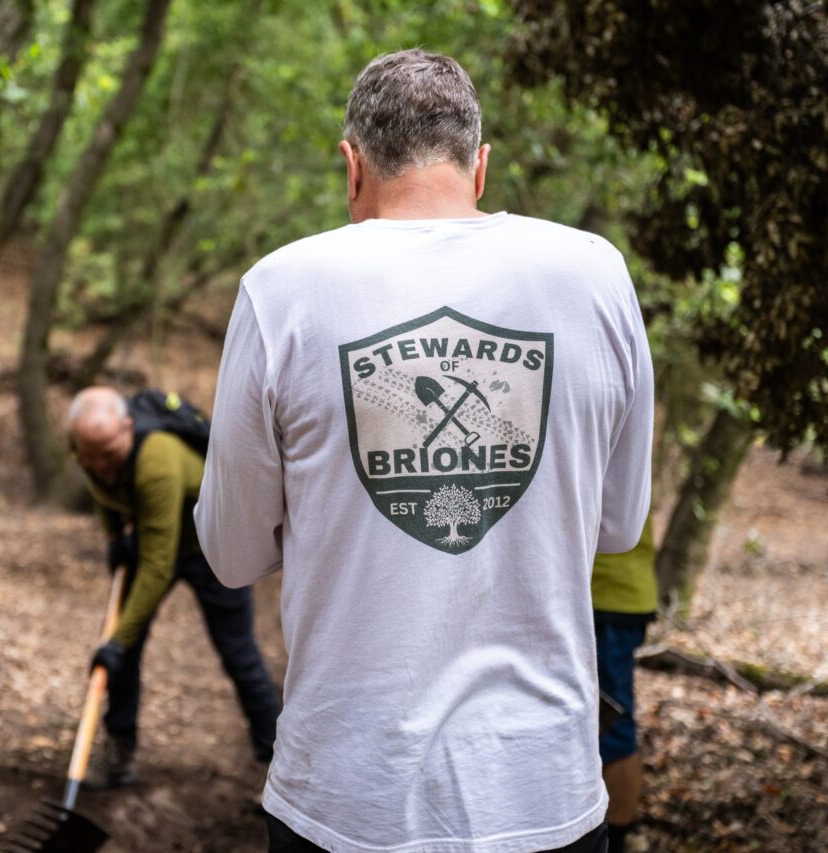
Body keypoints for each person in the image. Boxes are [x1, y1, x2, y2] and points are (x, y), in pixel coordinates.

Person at [195, 49, 653, 852]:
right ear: (480, 166)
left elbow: (232, 555)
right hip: (544, 788)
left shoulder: (282, 288)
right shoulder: (594, 275)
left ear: (351, 165)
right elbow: (617, 526)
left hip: (346, 795)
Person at [68, 386, 281, 789]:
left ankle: (278, 760)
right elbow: (106, 492)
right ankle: (119, 751)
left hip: (211, 545)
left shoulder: (157, 461)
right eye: (89, 457)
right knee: (124, 652)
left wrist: (116, 640)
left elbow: (157, 564)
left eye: (110, 455)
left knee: (238, 652)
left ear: (128, 428)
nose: (99, 465)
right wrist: (114, 537)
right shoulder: (88, 449)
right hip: (155, 537)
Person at [592, 518, 657, 853]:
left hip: (608, 596)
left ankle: (621, 835)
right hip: (611, 593)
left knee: (611, 722)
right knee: (606, 720)